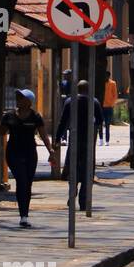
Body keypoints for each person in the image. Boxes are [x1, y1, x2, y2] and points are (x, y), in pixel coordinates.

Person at [2, 89, 53, 226]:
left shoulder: (36, 117)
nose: (18, 99)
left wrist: (51, 151)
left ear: (29, 101)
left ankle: (25, 214)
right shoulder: (9, 116)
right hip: (13, 153)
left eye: (21, 97)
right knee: (21, 180)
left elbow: (43, 135)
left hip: (30, 153)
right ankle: (22, 215)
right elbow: (2, 132)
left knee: (28, 183)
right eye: (17, 97)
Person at [56, 81, 102, 210]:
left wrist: (57, 138)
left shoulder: (70, 101)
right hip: (88, 140)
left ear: (77, 89)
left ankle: (72, 192)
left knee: (73, 168)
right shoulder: (95, 102)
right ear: (88, 89)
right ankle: (83, 199)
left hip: (74, 139)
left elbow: (63, 121)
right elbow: (100, 120)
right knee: (88, 171)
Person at [102, 73, 119, 145]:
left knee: (107, 124)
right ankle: (100, 139)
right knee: (99, 124)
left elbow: (115, 95)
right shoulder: (101, 83)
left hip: (109, 107)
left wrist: (111, 104)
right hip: (101, 106)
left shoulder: (112, 83)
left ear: (108, 76)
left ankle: (107, 140)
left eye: (106, 76)